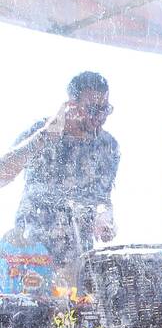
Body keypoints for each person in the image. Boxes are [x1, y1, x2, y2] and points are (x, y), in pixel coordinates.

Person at [0, 71, 118, 279]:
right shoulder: (41, 133)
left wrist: (105, 218)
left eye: (104, 109)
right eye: (92, 109)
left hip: (76, 266)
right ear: (71, 105)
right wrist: (45, 135)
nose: (98, 118)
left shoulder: (107, 147)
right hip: (29, 259)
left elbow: (103, 199)